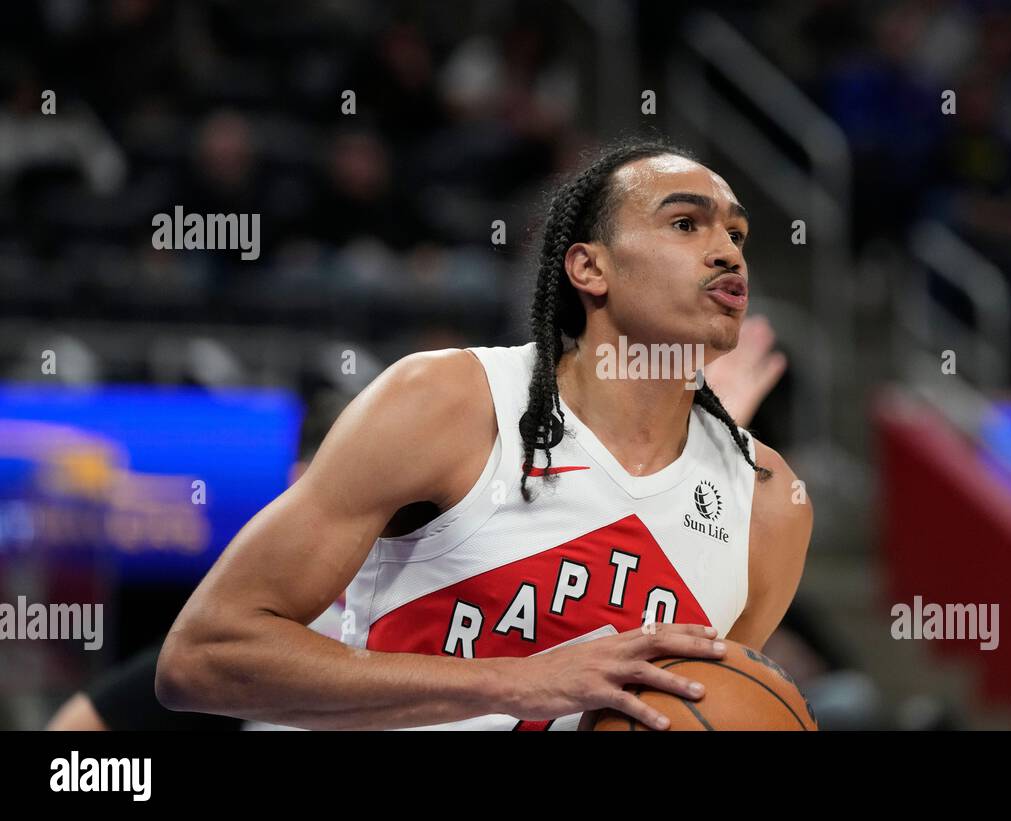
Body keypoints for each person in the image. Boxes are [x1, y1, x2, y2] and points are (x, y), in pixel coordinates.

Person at [155, 137, 814, 731]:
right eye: (684, 223)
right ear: (589, 268)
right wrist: (520, 682)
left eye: (737, 233)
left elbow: (711, 703)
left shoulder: (769, 505)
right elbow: (203, 654)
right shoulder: (448, 402)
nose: (728, 250)